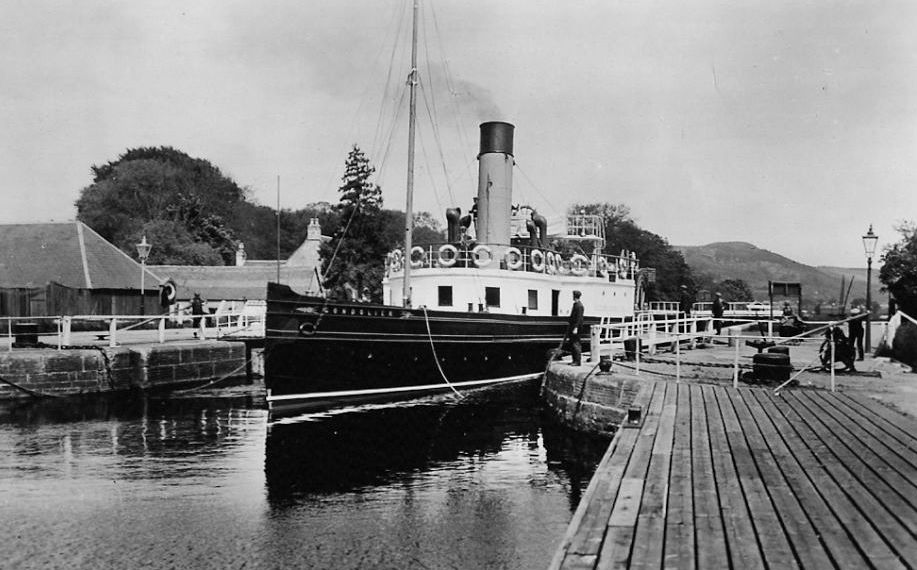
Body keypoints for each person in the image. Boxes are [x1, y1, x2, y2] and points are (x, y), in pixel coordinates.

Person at [567, 290, 584, 366]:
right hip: (573, 327)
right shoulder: (576, 304)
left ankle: (577, 361)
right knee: (572, 344)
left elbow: (579, 318)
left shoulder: (579, 306)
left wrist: (576, 327)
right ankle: (574, 360)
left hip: (576, 328)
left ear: (575, 296)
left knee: (576, 344)